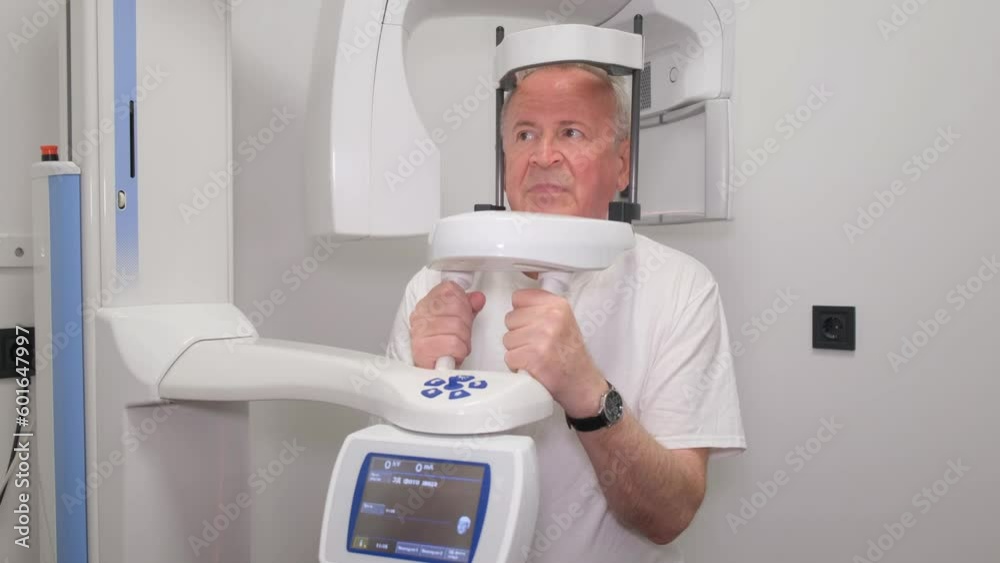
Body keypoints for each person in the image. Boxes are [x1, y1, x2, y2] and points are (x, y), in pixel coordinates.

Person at [386, 62, 746, 562]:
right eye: (525, 134)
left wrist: (588, 394)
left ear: (622, 164)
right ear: (505, 158)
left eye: (571, 133)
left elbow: (670, 516)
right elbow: (394, 502)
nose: (543, 156)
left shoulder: (681, 287)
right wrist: (421, 386)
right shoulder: (436, 288)